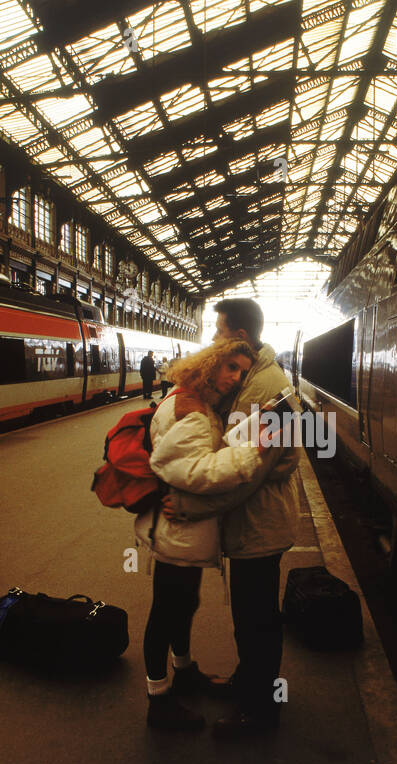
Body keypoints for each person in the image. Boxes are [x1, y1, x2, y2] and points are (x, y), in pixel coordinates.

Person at [161, 298, 300, 738]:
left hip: (259, 524)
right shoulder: (255, 380)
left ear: (239, 336)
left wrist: (189, 508)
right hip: (252, 523)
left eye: (219, 332)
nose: (214, 340)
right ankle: (249, 684)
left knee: (256, 620)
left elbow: (249, 475)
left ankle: (258, 714)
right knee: (251, 615)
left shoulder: (266, 391)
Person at [135, 339, 283, 731]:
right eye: (230, 368)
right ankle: (159, 700)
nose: (235, 379)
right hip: (177, 530)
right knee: (167, 610)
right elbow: (198, 471)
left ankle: (182, 671)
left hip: (185, 530)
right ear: (210, 365)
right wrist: (254, 450)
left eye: (241, 371)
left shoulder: (186, 400)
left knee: (182, 603)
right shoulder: (193, 412)